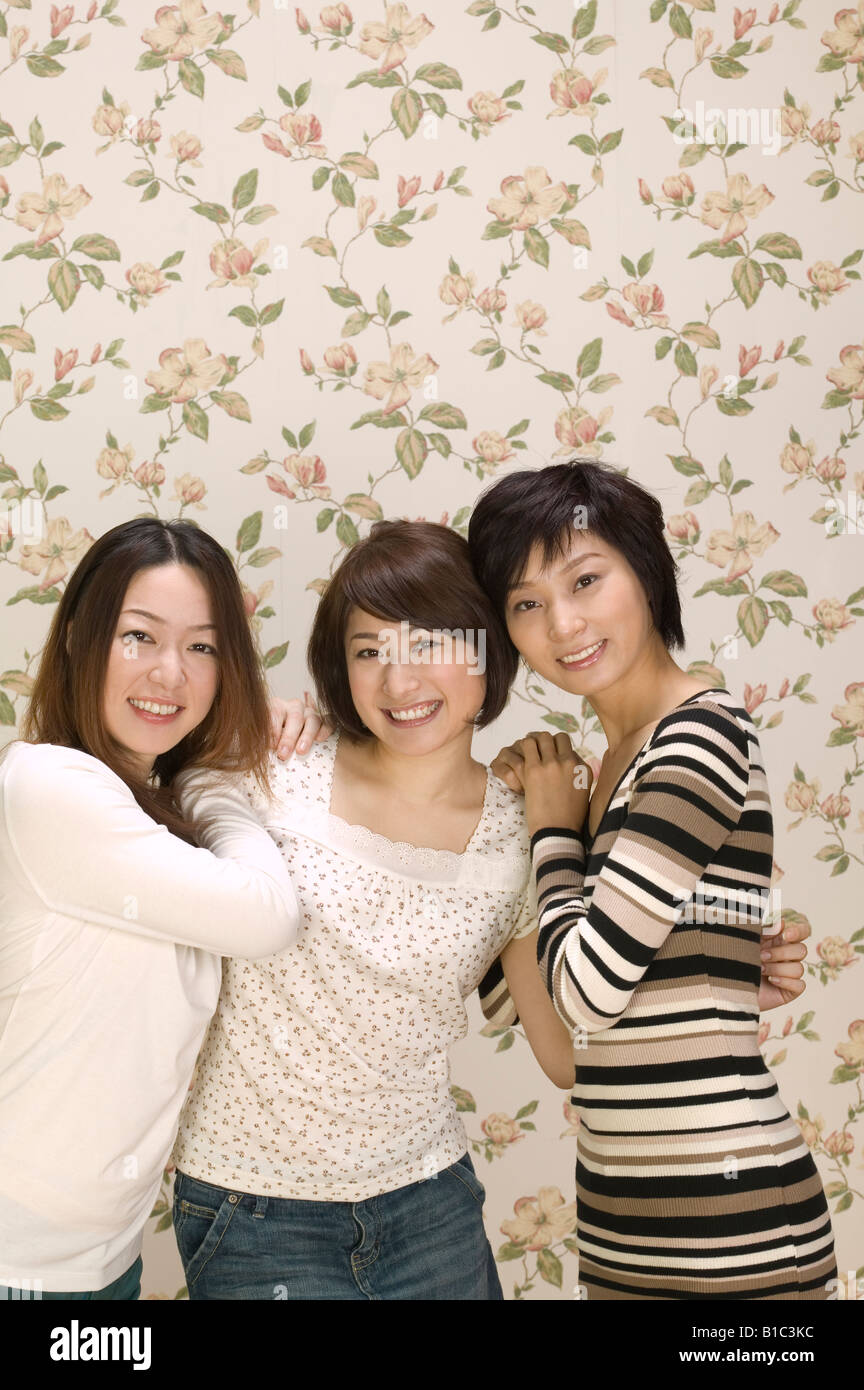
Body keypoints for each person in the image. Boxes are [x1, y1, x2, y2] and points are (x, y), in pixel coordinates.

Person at [170, 521, 576, 1301]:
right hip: (253, 1209)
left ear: (488, 651)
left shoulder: (518, 831)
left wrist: (714, 978)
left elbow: (561, 1056)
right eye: (369, 652)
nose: (398, 681)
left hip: (430, 1204)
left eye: (429, 643)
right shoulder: (270, 772)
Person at [465, 459, 836, 1299]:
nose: (563, 624)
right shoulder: (610, 774)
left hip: (739, 1231)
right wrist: (519, 823)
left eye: (586, 579)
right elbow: (561, 1050)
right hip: (620, 1230)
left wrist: (552, 826)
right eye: (526, 604)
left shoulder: (698, 739)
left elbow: (585, 993)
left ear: (647, 570)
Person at [0, 518, 301, 1300]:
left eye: (202, 647)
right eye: (139, 636)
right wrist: (218, 781)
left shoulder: (149, 812)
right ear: (77, 641)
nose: (171, 673)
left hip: (102, 1260)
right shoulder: (50, 786)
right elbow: (266, 915)